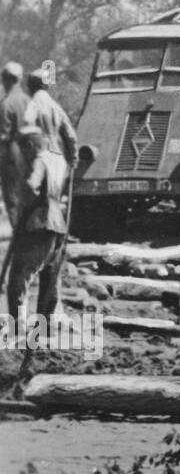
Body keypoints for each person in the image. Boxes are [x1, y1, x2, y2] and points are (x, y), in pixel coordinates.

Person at [6, 126, 70, 321]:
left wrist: (22, 205)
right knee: (50, 277)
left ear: (32, 145)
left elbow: (30, 186)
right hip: (58, 221)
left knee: (20, 274)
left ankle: (17, 326)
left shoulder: (40, 160)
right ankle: (44, 328)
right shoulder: (60, 161)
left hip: (39, 220)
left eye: (24, 148)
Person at [1, 62, 31, 228]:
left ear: (6, 79)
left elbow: (4, 135)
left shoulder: (6, 104)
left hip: (13, 156)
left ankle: (18, 235)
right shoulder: (29, 100)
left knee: (12, 197)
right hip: (31, 154)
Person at [23, 73, 76, 165]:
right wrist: (73, 158)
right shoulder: (55, 107)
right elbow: (70, 135)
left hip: (33, 159)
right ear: (45, 86)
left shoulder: (26, 106)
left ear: (30, 88)